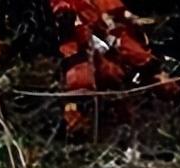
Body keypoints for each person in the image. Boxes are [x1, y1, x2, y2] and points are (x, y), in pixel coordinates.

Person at [50, 0, 166, 132]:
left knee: (115, 78)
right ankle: (77, 130)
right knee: (80, 82)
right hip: (79, 52)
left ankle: (127, 130)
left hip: (108, 53)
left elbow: (118, 19)